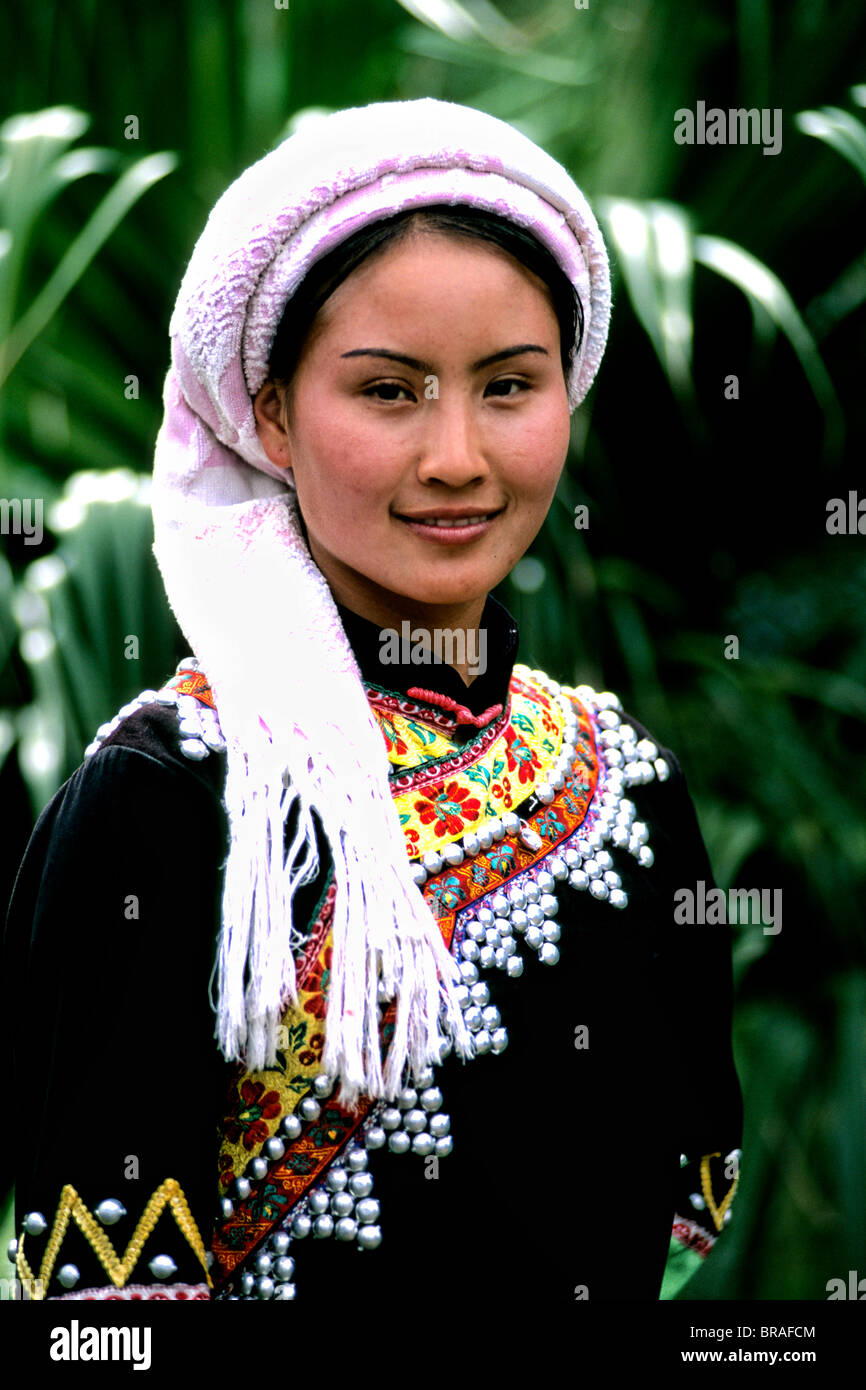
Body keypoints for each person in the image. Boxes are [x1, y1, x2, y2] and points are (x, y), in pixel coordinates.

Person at [4, 97, 742, 1305]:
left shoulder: (624, 783)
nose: (457, 455)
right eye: (390, 392)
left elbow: (677, 1213)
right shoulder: (169, 794)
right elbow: (98, 1315)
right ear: (276, 414)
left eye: (509, 386)